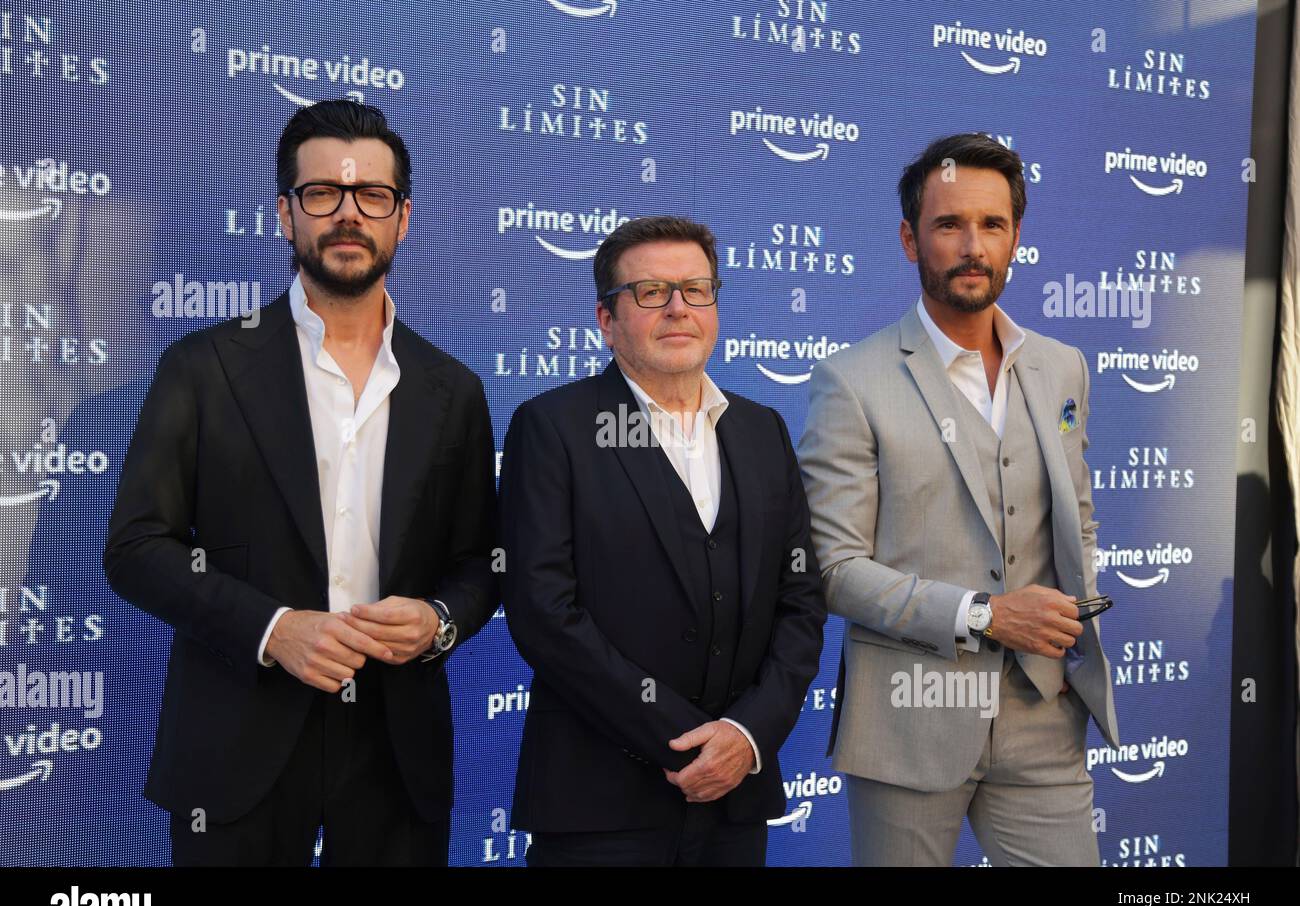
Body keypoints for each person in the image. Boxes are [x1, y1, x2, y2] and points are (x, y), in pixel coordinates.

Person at [104, 99, 498, 866]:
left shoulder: (454, 389)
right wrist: (273, 629)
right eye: (322, 194)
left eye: (371, 197)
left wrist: (439, 620)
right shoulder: (204, 366)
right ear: (286, 215)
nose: (347, 215)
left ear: (402, 218)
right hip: (233, 742)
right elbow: (137, 547)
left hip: (397, 750)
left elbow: (484, 561)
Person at [798, 133, 1121, 866]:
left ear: (1015, 239)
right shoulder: (852, 380)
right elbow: (834, 568)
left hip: (1044, 711)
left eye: (992, 224)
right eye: (949, 225)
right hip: (909, 720)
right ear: (911, 240)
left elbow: (1078, 513)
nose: (972, 245)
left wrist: (1074, 604)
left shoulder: (1061, 366)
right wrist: (985, 615)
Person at [500, 215, 826, 866]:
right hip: (598, 809)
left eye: (696, 290)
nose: (678, 308)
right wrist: (687, 740)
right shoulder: (552, 427)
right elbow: (544, 613)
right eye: (650, 292)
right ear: (606, 319)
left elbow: (802, 603)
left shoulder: (763, 431)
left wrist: (744, 736)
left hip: (737, 801)